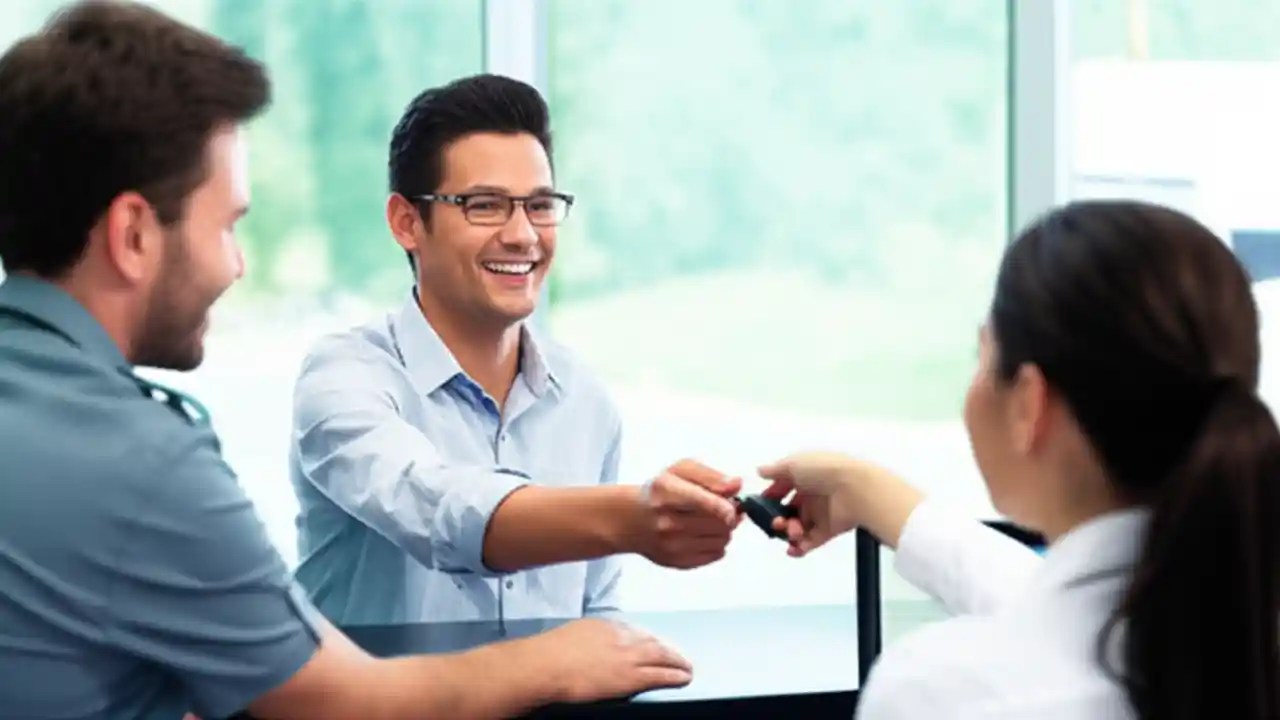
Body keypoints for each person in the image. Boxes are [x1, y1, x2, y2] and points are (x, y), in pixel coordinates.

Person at [0, 3, 693, 718]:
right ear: (134, 235)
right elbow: (332, 690)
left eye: (540, 204)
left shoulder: (588, 403)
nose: (237, 265)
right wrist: (577, 613)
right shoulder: (148, 459)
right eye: (229, 225)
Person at [759, 200, 1280, 719]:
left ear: (1030, 403)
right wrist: (867, 491)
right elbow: (1068, 606)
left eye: (982, 357)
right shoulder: (1238, 647)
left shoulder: (941, 694)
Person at [290, 73, 741, 625]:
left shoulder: (583, 399)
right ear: (407, 222)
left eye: (541, 205)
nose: (524, 235)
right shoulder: (344, 378)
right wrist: (632, 516)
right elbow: (438, 511)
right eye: (485, 205)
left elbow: (595, 612)